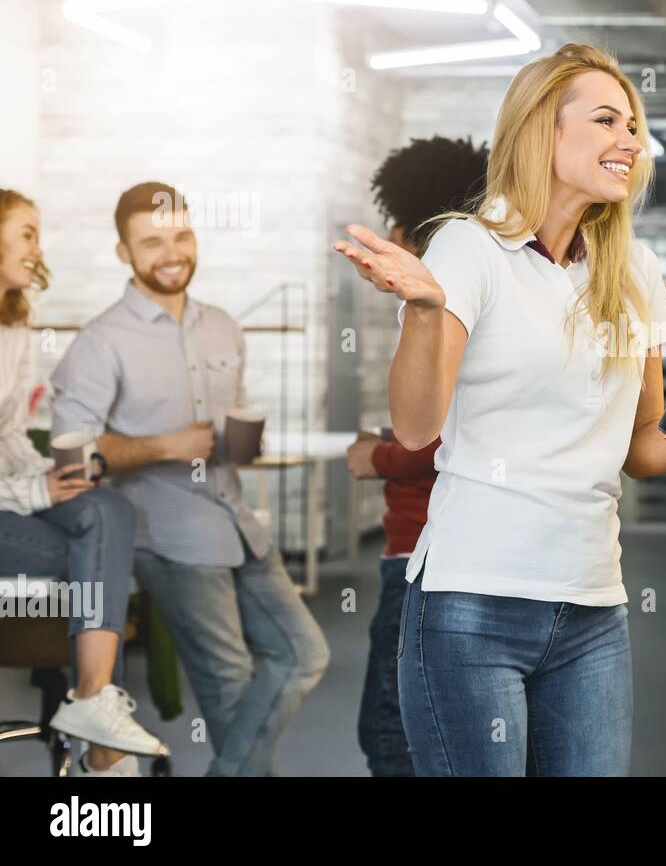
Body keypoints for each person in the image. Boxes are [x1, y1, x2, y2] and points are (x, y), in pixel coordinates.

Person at [334, 43, 666, 776]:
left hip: (593, 607)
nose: (630, 140)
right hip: (471, 605)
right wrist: (423, 311)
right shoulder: (469, 249)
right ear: (544, 129)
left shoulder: (633, 268)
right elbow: (415, 426)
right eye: (606, 120)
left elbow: (641, 442)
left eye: (633, 125)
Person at [51, 182, 330, 776]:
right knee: (230, 692)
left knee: (305, 653)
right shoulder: (100, 342)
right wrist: (168, 444)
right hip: (171, 537)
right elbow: (69, 460)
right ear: (124, 252)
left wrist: (243, 441)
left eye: (180, 235)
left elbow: (237, 415)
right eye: (151, 242)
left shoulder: (223, 326)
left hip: (239, 525)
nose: (170, 251)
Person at [0, 188, 166, 776]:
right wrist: (34, 494)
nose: (38, 247)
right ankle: (104, 751)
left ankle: (93, 704)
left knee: (108, 514)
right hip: (8, 506)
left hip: (10, 496)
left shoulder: (13, 322)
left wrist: (44, 475)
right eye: (26, 233)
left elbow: (11, 434)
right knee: (99, 550)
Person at [348, 135, 488, 777]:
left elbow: (428, 440)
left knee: (391, 728)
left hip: (420, 551)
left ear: (407, 232)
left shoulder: (439, 305)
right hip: (471, 551)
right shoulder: (487, 284)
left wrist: (372, 457)